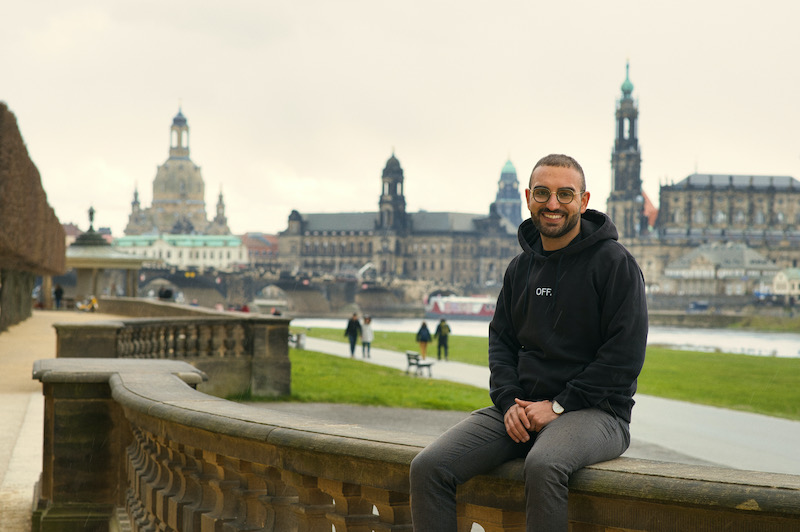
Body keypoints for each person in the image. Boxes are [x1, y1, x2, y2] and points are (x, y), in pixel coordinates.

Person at [409, 154, 648, 532]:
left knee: (543, 464)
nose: (553, 204)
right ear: (528, 197)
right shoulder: (520, 267)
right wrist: (508, 403)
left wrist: (557, 405)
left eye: (565, 194)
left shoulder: (614, 263)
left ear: (583, 202)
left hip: (598, 413)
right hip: (521, 411)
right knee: (428, 467)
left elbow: (625, 356)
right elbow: (501, 342)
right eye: (543, 193)